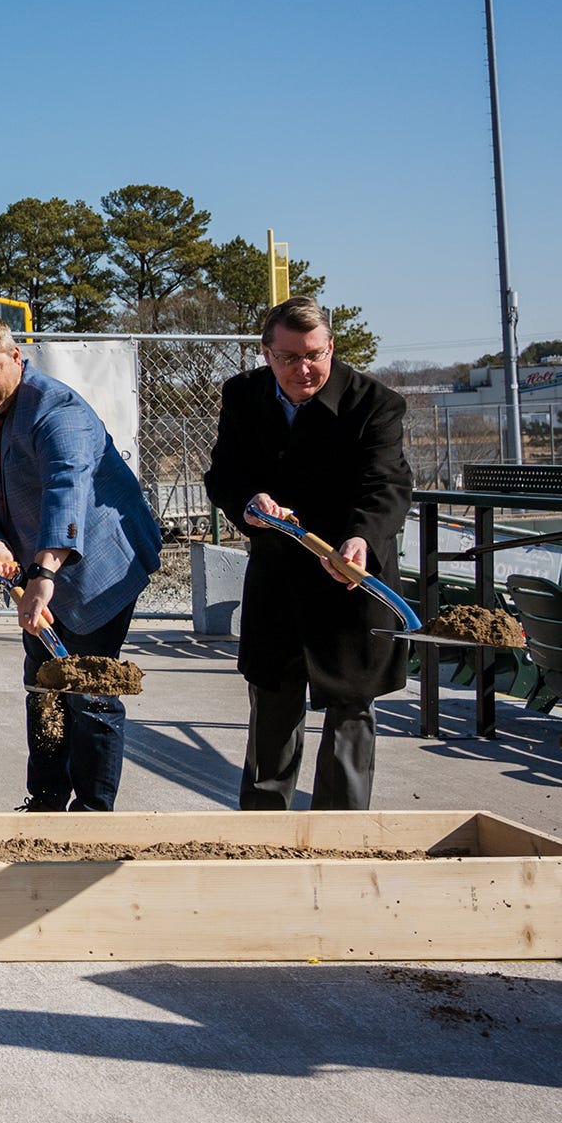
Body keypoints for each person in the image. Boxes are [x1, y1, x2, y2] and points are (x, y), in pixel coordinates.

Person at [0, 312, 162, 811]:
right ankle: (45, 801)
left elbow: (67, 491)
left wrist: (42, 574)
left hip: (101, 565)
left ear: (16, 357)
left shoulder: (58, 409)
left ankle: (92, 813)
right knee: (43, 685)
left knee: (88, 687)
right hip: (32, 570)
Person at [204, 297, 411, 810]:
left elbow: (387, 485)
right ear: (265, 354)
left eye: (315, 355)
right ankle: (263, 836)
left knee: (349, 711)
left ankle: (339, 842)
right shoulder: (244, 395)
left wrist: (362, 537)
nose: (304, 369)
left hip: (350, 577)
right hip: (277, 576)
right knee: (272, 702)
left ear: (332, 347)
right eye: (289, 357)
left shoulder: (374, 403)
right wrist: (247, 502)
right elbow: (224, 474)